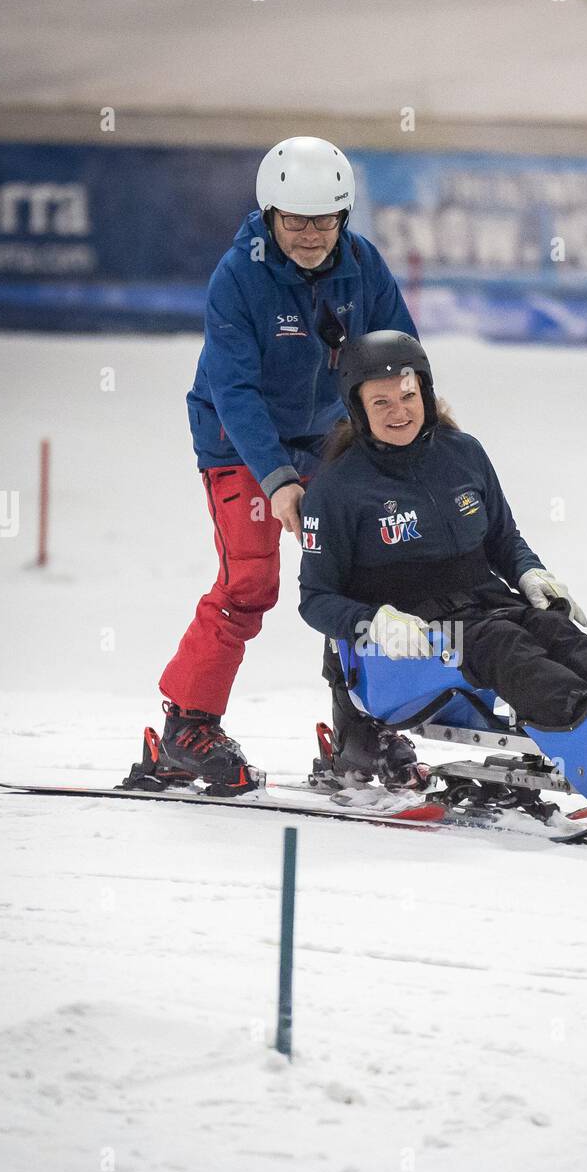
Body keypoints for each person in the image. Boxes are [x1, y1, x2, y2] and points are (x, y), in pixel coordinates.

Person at [298, 331, 587, 787]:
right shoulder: (337, 487)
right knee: (502, 640)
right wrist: (373, 620)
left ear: (425, 391)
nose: (399, 411)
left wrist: (529, 570)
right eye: (380, 403)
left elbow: (503, 537)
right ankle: (582, 716)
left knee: (550, 626)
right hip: (413, 638)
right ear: (358, 409)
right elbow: (315, 599)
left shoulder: (464, 453)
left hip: (484, 602)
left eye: (407, 395)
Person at [154, 137, 417, 791]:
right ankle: (186, 729)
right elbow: (235, 393)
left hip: (327, 436)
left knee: (358, 576)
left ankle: (357, 730)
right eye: (295, 220)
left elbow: (397, 358)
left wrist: (409, 445)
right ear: (270, 214)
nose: (310, 234)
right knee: (250, 584)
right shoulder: (237, 278)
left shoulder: (363, 266)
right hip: (239, 438)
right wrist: (275, 483)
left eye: (323, 220)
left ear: (344, 217)